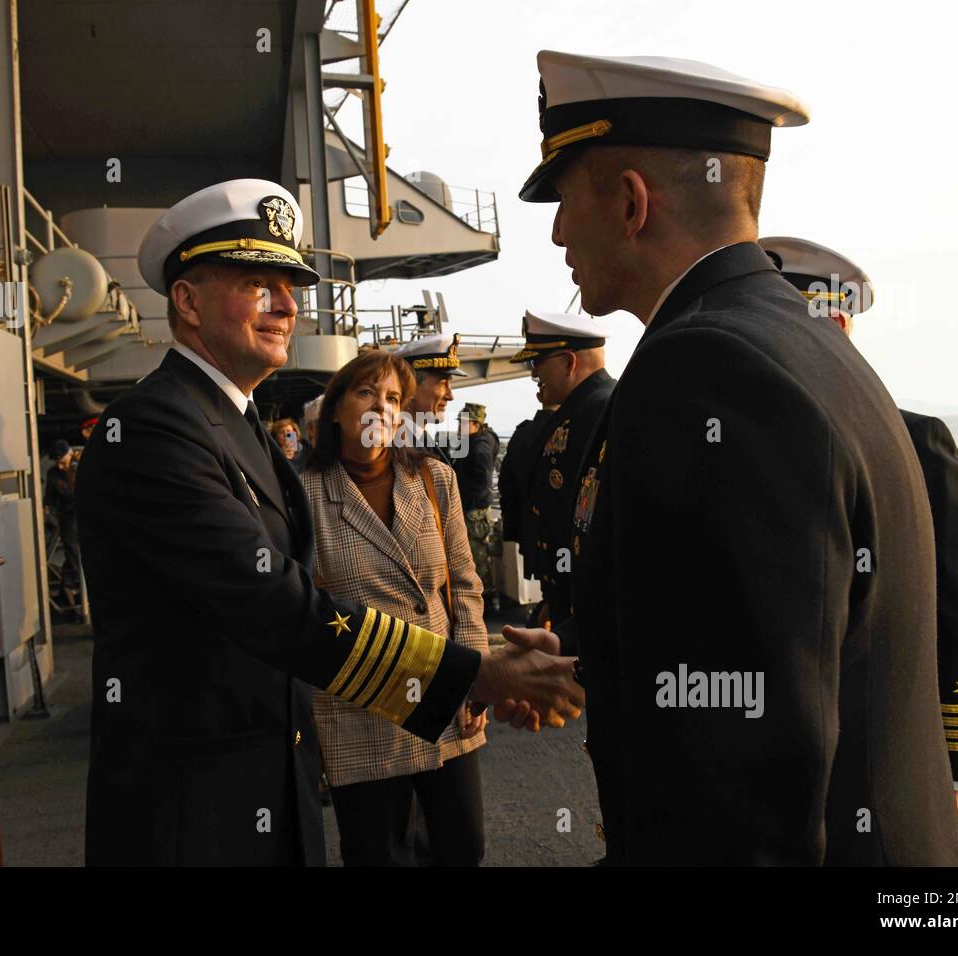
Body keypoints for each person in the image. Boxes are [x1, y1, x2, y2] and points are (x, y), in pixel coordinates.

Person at [502, 52, 958, 865]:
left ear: (631, 200)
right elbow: (768, 623)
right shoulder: (799, 340)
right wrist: (588, 651)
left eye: (565, 198)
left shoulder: (707, 367)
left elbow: (739, 783)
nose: (557, 231)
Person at [74, 178, 582, 866]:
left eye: (290, 285)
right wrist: (478, 675)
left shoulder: (235, 425)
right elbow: (276, 607)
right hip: (193, 816)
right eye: (258, 283)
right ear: (188, 302)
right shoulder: (154, 429)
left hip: (267, 789)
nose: (287, 304)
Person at [761, 235, 958, 811]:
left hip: (878, 745)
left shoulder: (918, 442)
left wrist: (957, 760)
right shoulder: (749, 445)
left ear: (835, 328)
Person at [301, 349, 489, 866]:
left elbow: (465, 589)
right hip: (359, 706)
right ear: (335, 408)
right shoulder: (306, 494)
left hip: (445, 697)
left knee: (462, 846)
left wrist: (476, 678)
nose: (380, 408)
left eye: (393, 398)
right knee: (377, 855)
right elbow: (298, 612)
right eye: (366, 393)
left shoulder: (433, 479)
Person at [507, 311, 615, 629]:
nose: (533, 373)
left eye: (538, 362)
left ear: (569, 362)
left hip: (587, 605)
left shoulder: (602, 410)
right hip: (565, 595)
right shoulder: (577, 411)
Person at [498, 404, 556, 586]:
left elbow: (506, 485)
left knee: (547, 590)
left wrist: (514, 530)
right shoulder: (569, 427)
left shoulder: (523, 433)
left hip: (530, 531)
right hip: (564, 541)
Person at [453, 402, 501, 613]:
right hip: (471, 506)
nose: (459, 427)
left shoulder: (481, 444)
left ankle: (486, 600)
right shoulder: (473, 440)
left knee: (478, 554)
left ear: (475, 423)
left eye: (463, 423)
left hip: (475, 509)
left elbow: (481, 476)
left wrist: (471, 497)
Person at [393, 332, 467, 467]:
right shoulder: (396, 449)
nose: (450, 396)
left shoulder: (418, 439)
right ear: (411, 387)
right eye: (442, 383)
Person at [45, 438, 80, 602]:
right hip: (68, 518)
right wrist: (47, 512)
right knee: (73, 554)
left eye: (62, 462)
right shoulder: (53, 475)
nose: (60, 466)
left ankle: (68, 589)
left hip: (85, 513)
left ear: (70, 454)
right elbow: (50, 499)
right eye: (57, 463)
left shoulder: (80, 466)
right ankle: (72, 589)